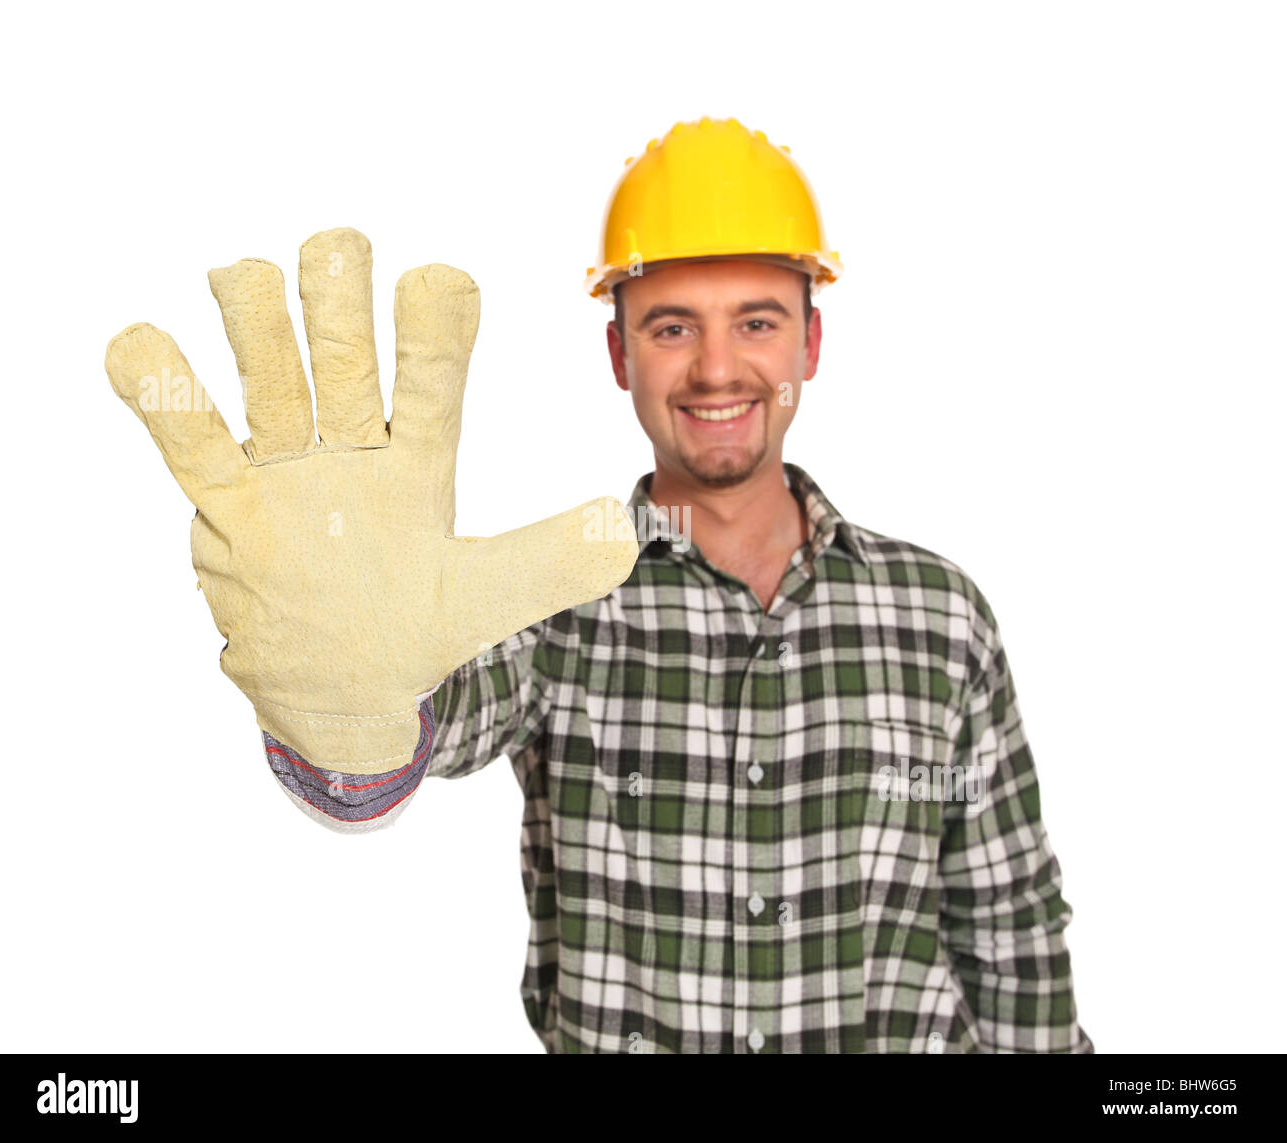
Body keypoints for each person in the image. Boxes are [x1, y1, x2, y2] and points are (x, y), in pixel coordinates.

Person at [106, 116, 1092, 1054]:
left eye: (755, 320)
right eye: (671, 327)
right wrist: (346, 696)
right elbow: (403, 742)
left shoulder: (940, 613)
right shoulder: (547, 600)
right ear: (618, 353)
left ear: (809, 345)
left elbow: (1005, 921)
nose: (716, 368)